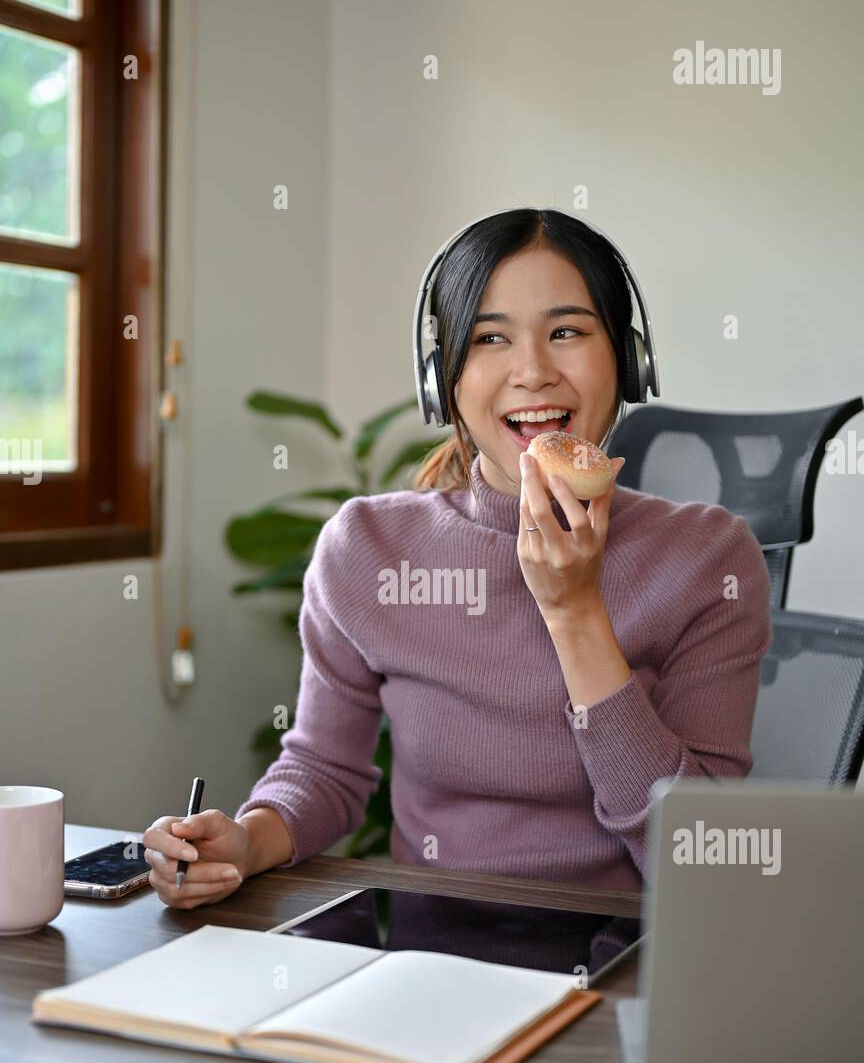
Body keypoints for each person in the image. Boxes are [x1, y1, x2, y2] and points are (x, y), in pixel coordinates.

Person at [144, 208, 772, 909]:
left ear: (629, 362)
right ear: (443, 380)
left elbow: (698, 858)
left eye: (566, 331)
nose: (532, 371)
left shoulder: (709, 558)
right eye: (488, 338)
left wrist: (574, 611)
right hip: (432, 959)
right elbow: (324, 770)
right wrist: (247, 841)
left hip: (628, 959)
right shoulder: (368, 550)